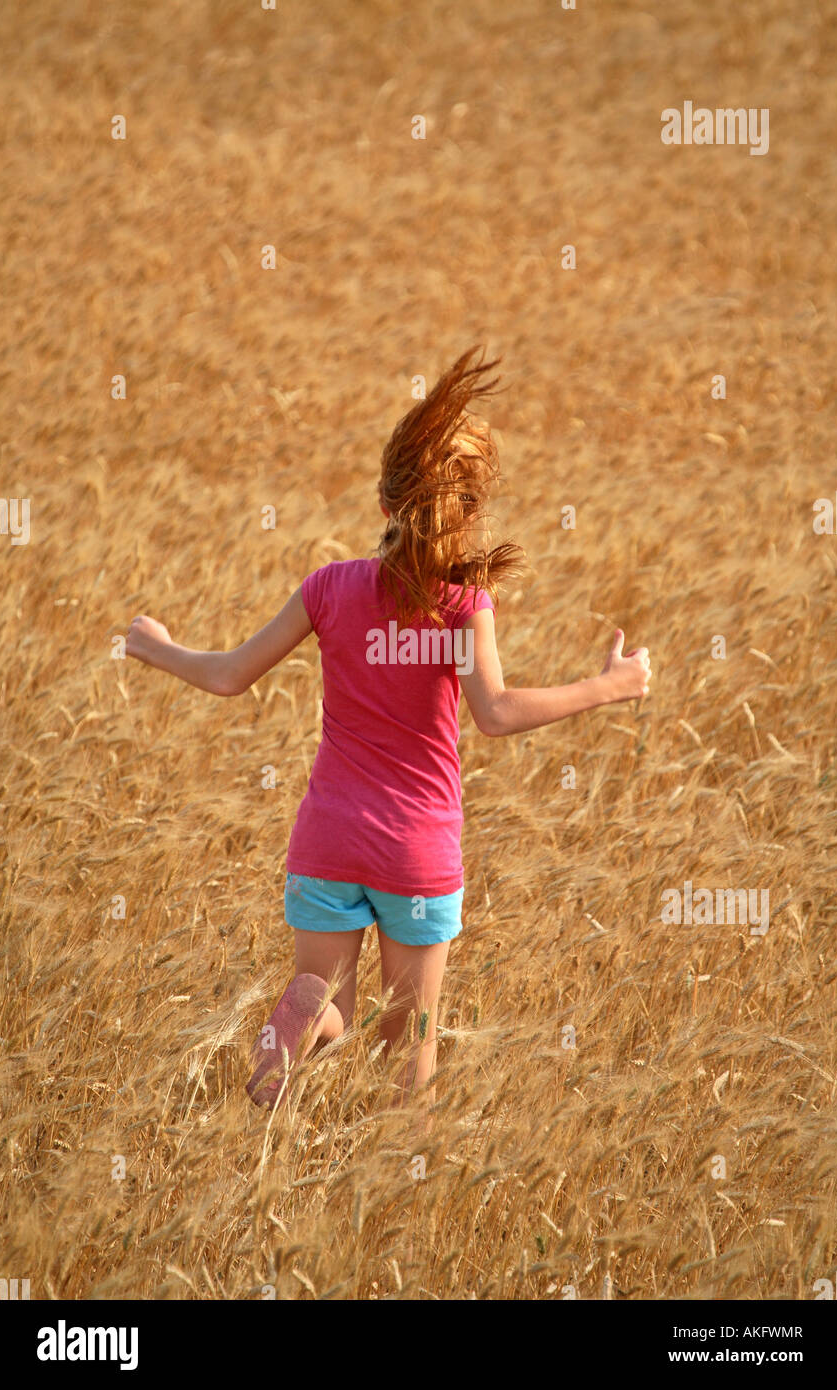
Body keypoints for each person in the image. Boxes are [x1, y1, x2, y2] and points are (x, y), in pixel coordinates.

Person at [125, 347, 651, 1114]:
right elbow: (496, 713)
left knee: (332, 1007)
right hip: (416, 850)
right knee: (408, 1043)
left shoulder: (331, 587)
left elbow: (231, 674)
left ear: (385, 505)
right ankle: (407, 1181)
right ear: (468, 514)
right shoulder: (463, 609)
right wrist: (610, 685)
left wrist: (157, 646)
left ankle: (310, 1021)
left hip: (328, 841)